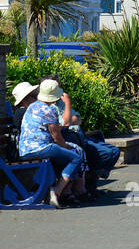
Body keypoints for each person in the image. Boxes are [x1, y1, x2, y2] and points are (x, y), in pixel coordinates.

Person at [17, 78, 87, 207]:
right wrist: (66, 148)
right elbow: (56, 137)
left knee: (65, 156)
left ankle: (61, 191)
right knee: (76, 158)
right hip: (41, 148)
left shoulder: (33, 106)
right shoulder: (50, 111)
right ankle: (57, 192)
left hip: (25, 149)